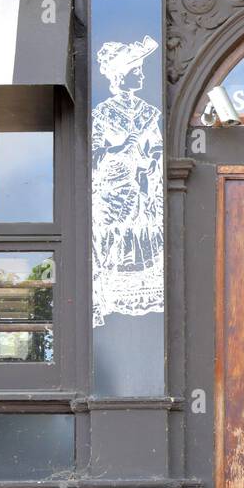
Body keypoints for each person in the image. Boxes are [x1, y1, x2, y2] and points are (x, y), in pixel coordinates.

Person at [91, 36, 164, 325]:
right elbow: (95, 152)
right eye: (137, 71)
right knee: (113, 241)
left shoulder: (147, 111)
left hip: (141, 185)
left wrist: (152, 161)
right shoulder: (103, 113)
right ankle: (110, 296)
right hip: (112, 188)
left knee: (143, 235)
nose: (142, 75)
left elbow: (157, 145)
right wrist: (118, 149)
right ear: (121, 76)